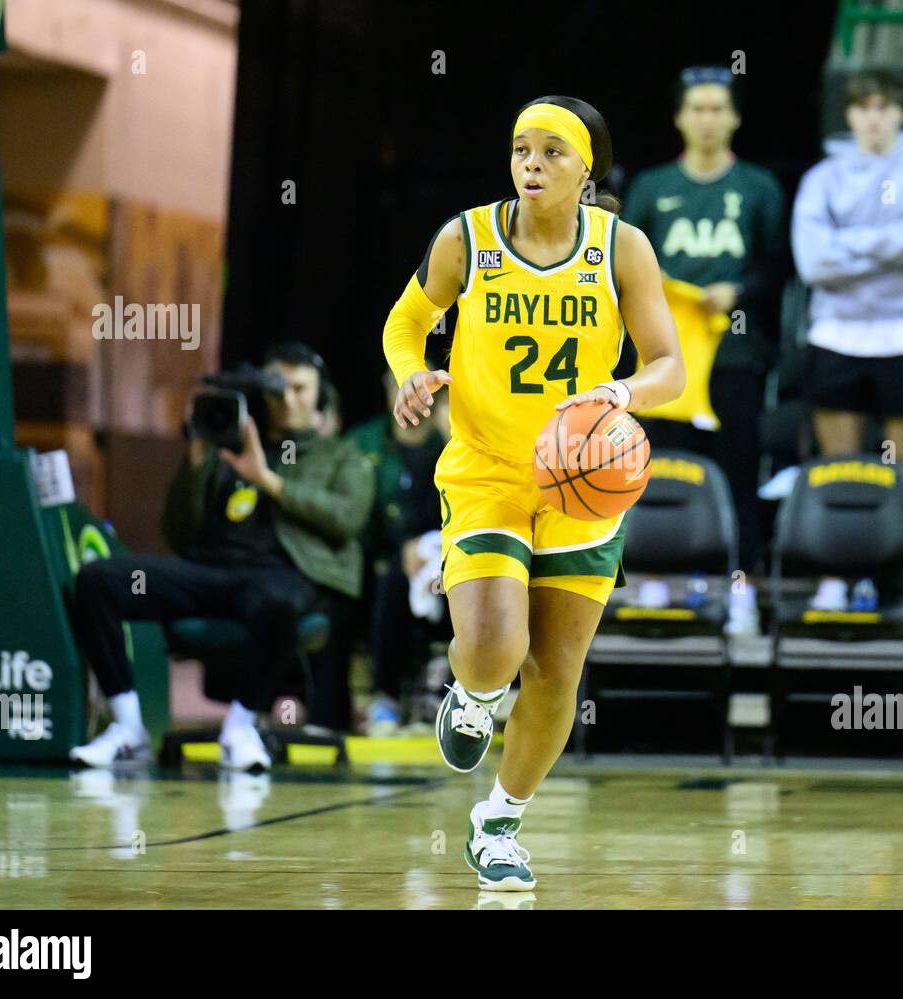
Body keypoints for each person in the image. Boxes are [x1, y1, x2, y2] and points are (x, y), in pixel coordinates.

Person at [381, 95, 684, 890]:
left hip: (584, 480)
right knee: (493, 648)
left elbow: (669, 366)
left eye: (552, 151)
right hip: (486, 468)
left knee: (555, 669)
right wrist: (413, 372)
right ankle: (474, 693)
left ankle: (500, 822)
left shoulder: (623, 247)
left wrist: (625, 394)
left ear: (588, 170)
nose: (532, 165)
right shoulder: (469, 238)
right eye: (522, 149)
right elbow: (406, 321)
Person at [68, 342, 375, 770]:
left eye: (301, 389)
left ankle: (240, 726)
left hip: (281, 576)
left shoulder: (342, 456)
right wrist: (195, 462)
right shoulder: (226, 446)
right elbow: (177, 533)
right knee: (98, 580)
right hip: (207, 571)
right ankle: (127, 728)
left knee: (279, 600)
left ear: (321, 397)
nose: (288, 398)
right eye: (277, 388)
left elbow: (346, 518)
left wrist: (268, 480)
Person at [621, 66, 786, 628]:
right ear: (679, 117)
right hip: (663, 358)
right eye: (699, 108)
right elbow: (626, 265)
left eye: (719, 108)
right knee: (655, 467)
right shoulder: (651, 187)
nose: (709, 119)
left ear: (736, 117)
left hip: (735, 356)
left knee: (735, 471)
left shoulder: (759, 187)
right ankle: (654, 582)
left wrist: (737, 291)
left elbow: (777, 267)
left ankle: (740, 591)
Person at [791, 69, 903, 613]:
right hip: (836, 334)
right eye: (864, 107)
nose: (874, 117)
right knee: (837, 464)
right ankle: (839, 579)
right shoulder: (823, 176)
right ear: (850, 115)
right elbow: (812, 260)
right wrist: (891, 247)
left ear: (901, 113)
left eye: (885, 107)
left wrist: (851, 248)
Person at [345, 369, 449, 729]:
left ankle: (455, 695)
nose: (412, 396)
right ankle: (384, 697)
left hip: (448, 551)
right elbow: (350, 512)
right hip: (379, 558)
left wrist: (428, 544)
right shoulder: (364, 443)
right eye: (401, 386)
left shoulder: (451, 443)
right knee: (391, 580)